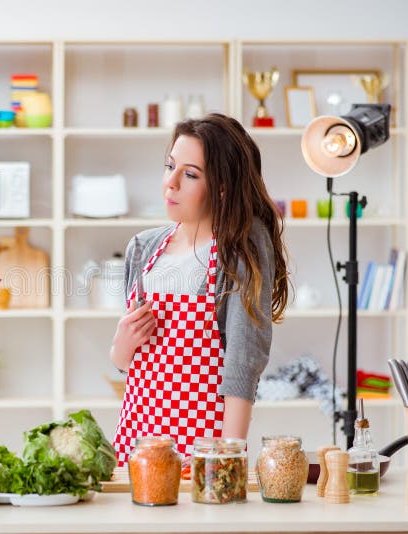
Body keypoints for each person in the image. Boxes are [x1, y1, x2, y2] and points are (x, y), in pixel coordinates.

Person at [111, 113, 289, 465]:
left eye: (190, 174)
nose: (170, 183)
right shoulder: (143, 247)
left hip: (204, 449)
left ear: (223, 187)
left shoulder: (240, 249)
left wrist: (226, 461)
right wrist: (121, 345)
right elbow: (125, 364)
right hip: (139, 440)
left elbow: (243, 361)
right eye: (170, 166)